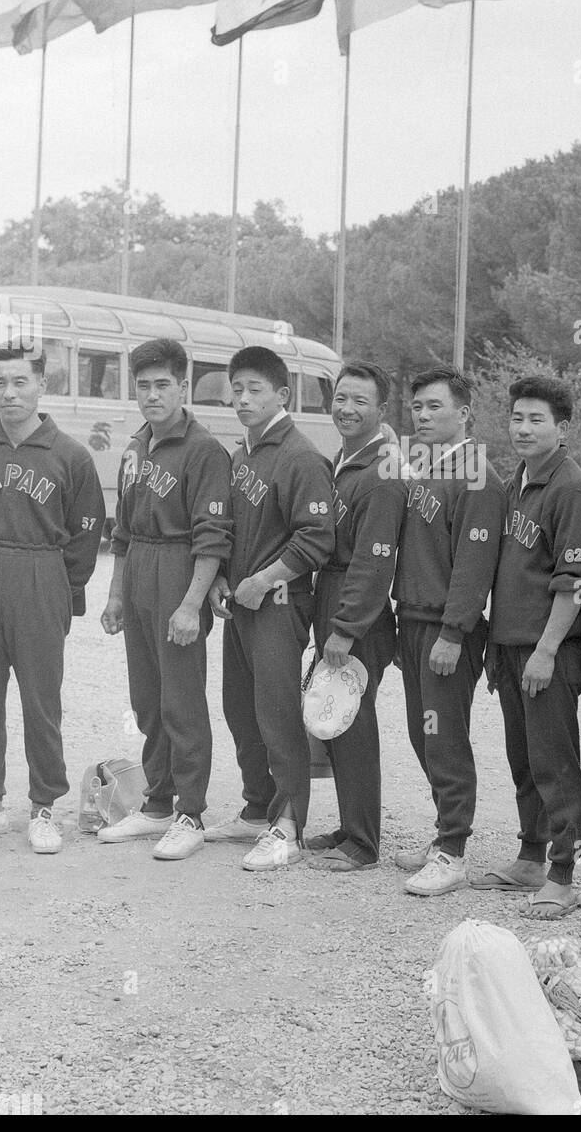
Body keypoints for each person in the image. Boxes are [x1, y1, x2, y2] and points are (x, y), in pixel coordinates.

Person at [0, 345, 105, 854]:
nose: (9, 393)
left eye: (19, 382)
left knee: (41, 700)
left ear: (42, 386)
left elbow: (86, 532)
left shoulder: (71, 455)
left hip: (41, 573)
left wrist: (64, 588)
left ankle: (43, 808)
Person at [97, 339, 233, 861]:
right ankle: (157, 802)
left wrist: (190, 604)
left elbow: (212, 535)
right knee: (146, 699)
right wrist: (114, 595)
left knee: (182, 700)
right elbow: (123, 533)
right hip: (139, 575)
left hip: (179, 571)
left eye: (162, 385)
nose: (152, 395)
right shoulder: (135, 448)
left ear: (182, 385)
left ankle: (191, 812)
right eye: (143, 386)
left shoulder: (203, 450)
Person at [207, 345, 335, 871]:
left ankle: (289, 825)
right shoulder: (243, 454)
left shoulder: (300, 456)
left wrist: (262, 579)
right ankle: (258, 808)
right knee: (241, 710)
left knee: (278, 715)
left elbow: (317, 538)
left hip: (278, 603)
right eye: (235, 389)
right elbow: (230, 529)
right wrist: (219, 577)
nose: (242, 399)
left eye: (254, 389)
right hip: (240, 604)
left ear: (282, 394)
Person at [476, 376, 581, 919]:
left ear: (563, 427)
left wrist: (547, 649)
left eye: (537, 420)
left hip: (546, 650)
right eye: (517, 418)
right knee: (522, 759)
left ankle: (564, 873)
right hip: (510, 646)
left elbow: (576, 581)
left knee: (554, 761)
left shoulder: (570, 489)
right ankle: (530, 857)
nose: (523, 429)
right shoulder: (516, 482)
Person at [393, 366, 506, 896]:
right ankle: (443, 833)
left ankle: (453, 850)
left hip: (446, 628)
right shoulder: (421, 467)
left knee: (445, 737)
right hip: (412, 618)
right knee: (422, 732)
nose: (422, 416)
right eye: (417, 407)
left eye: (434, 407)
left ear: (464, 414)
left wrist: (455, 631)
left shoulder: (478, 474)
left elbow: (474, 563)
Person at [303, 361, 406, 873]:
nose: (346, 408)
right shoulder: (345, 462)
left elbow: (374, 559)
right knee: (336, 718)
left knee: (354, 722)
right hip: (332, 593)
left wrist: (346, 628)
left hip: (356, 607)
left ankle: (363, 844)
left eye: (360, 401)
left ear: (381, 409)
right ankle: (349, 826)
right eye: (341, 397)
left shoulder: (382, 472)